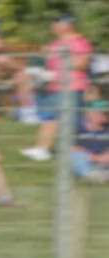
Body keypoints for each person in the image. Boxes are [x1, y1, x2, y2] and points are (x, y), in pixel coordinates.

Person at [22, 14, 91, 162]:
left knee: (67, 120)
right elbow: (50, 62)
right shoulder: (55, 43)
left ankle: (58, 149)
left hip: (71, 85)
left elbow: (83, 63)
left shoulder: (78, 41)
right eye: (52, 22)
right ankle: (42, 148)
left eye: (56, 23)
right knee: (51, 118)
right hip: (55, 85)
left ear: (67, 24)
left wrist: (62, 66)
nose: (52, 26)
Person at [73, 100, 109, 182]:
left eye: (107, 113)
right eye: (101, 113)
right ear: (87, 114)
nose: (106, 115)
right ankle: (90, 175)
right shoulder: (78, 129)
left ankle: (97, 176)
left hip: (104, 162)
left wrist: (99, 158)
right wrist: (92, 157)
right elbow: (71, 148)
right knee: (76, 156)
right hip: (85, 161)